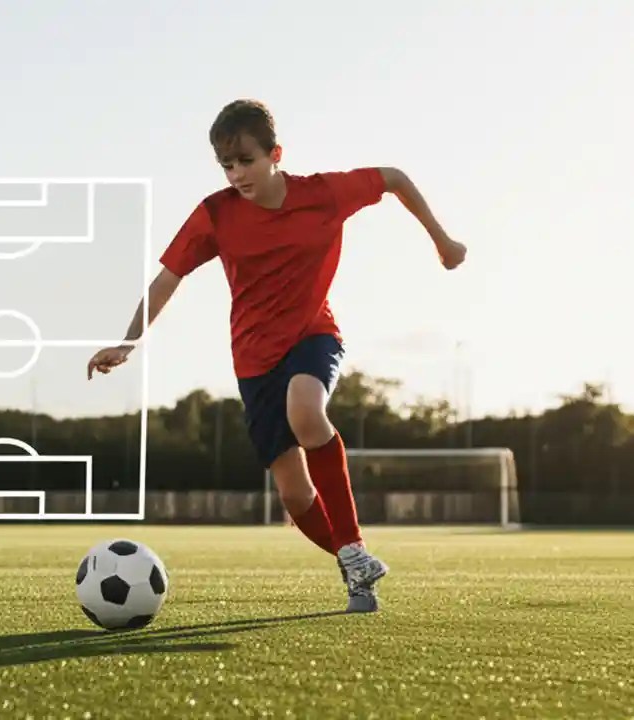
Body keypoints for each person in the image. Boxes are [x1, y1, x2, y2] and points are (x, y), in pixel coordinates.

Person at [87, 99, 467, 612]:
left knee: (306, 410)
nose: (236, 173)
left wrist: (442, 242)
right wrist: (129, 341)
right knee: (294, 497)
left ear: (274, 154)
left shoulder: (323, 195)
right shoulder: (215, 215)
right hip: (252, 361)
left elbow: (393, 177)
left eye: (245, 160)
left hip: (313, 335)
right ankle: (357, 566)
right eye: (226, 164)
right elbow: (166, 280)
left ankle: (353, 552)